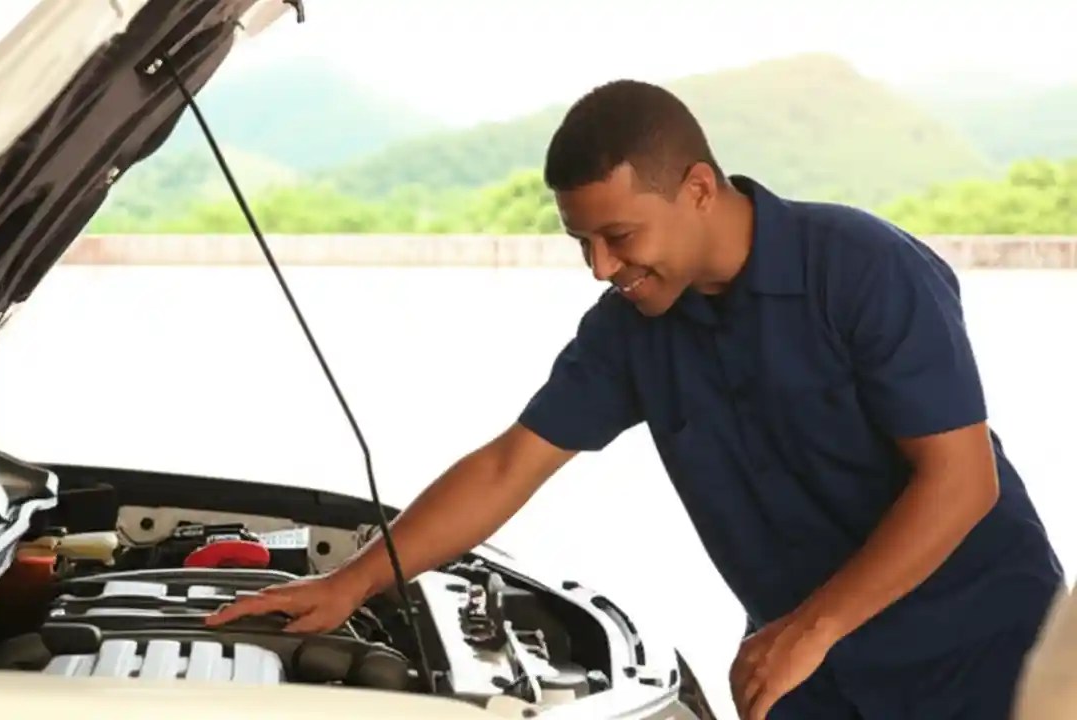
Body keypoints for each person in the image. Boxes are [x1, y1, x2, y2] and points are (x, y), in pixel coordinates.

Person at [204, 80, 1065, 720]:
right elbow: (510, 464)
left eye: (619, 236)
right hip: (811, 676)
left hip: (990, 662)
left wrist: (810, 629)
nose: (601, 267)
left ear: (697, 188)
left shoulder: (865, 270)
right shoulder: (629, 329)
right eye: (583, 241)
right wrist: (354, 583)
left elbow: (962, 482)